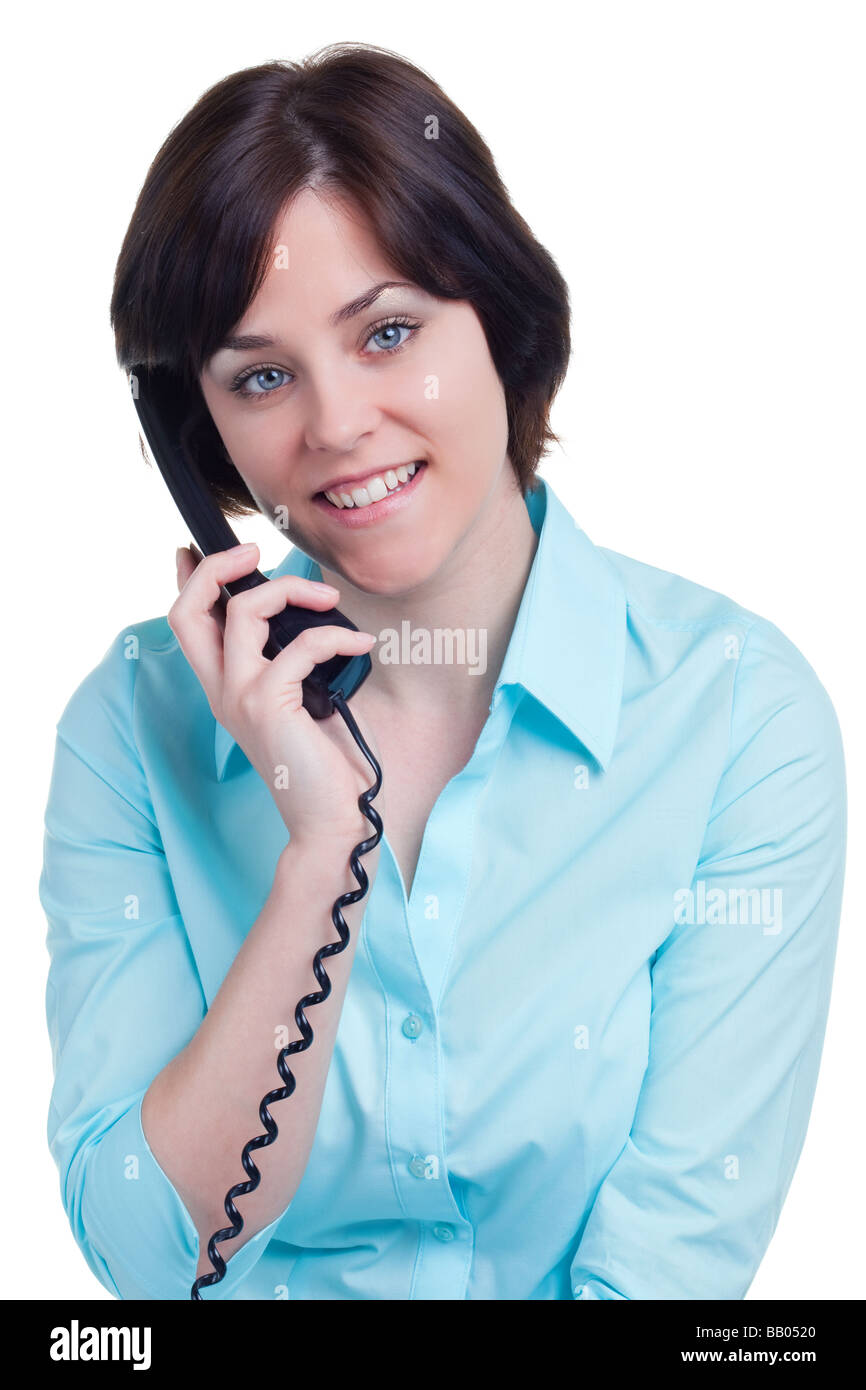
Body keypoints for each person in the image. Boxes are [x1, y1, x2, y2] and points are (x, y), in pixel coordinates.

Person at [39, 43, 847, 1301]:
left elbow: (669, 1278)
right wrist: (319, 858)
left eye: (389, 332)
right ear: (199, 441)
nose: (336, 424)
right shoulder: (127, 726)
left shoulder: (734, 715)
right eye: (261, 376)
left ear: (500, 321)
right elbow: (146, 1263)